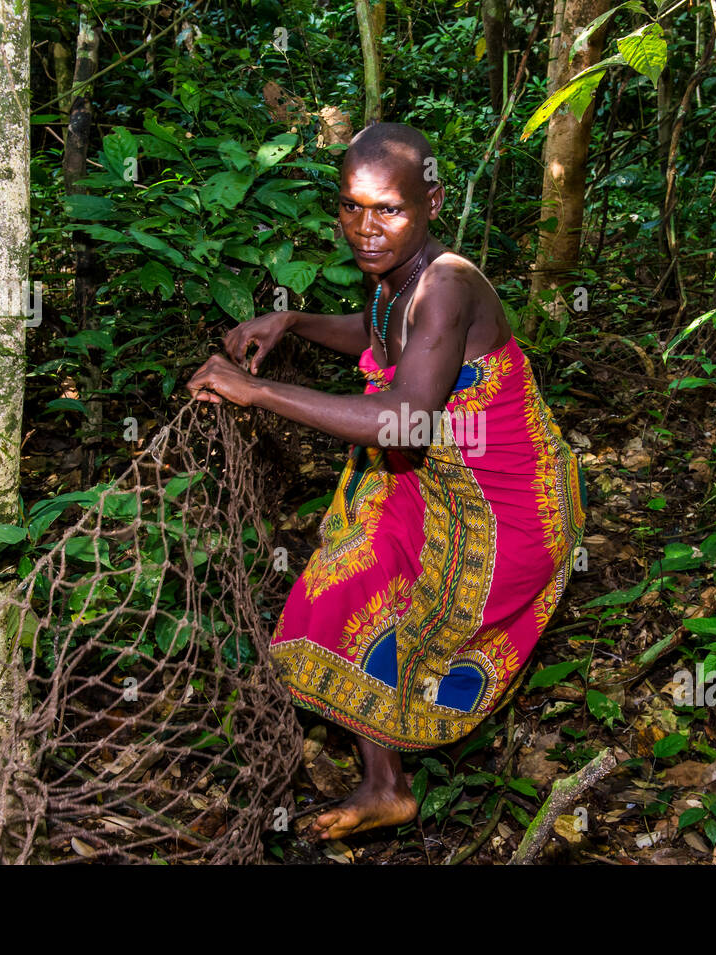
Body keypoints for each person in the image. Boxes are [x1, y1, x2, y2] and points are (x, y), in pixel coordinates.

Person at [186, 122, 584, 840]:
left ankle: (394, 767)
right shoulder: (394, 276)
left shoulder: (448, 284)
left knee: (408, 609)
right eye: (350, 207)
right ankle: (386, 785)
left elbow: (400, 417)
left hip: (507, 509)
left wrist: (260, 393)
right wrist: (295, 319)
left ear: (431, 202)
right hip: (440, 481)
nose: (365, 229)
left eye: (388, 210)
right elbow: (380, 333)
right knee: (350, 568)